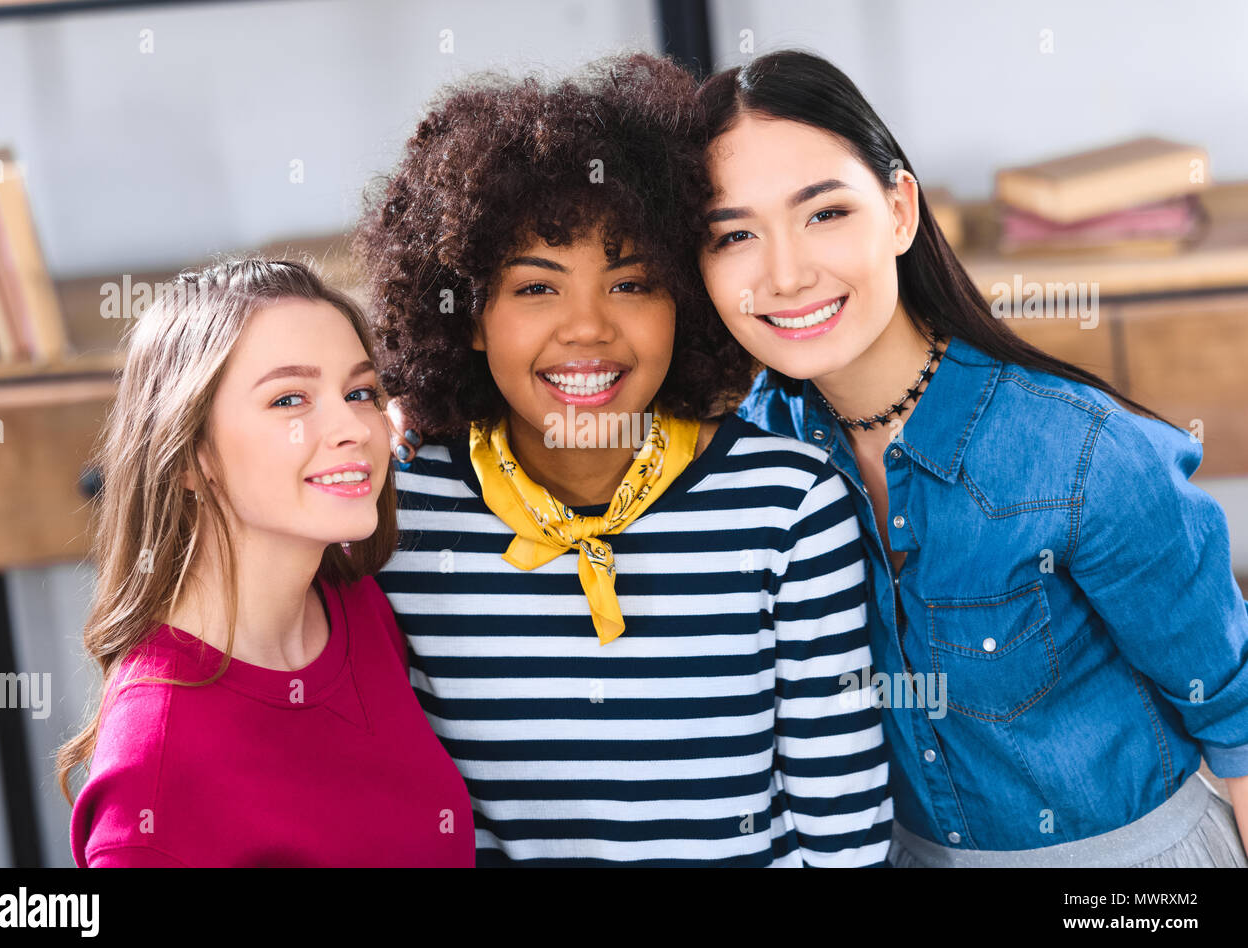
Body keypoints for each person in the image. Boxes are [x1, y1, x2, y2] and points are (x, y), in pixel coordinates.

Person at [693, 50, 1248, 866]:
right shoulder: (745, 464)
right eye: (735, 234)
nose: (786, 273)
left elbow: (1239, 724)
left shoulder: (1081, 453)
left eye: (824, 213)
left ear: (900, 211)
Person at [355, 53, 893, 866]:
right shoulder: (402, 511)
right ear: (468, 315)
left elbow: (843, 829)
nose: (586, 329)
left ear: (686, 299)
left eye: (633, 283)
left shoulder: (788, 507)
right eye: (536, 288)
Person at [61, 258, 474, 867]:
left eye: (359, 392)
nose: (353, 427)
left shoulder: (360, 609)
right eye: (289, 399)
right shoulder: (152, 772)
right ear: (188, 456)